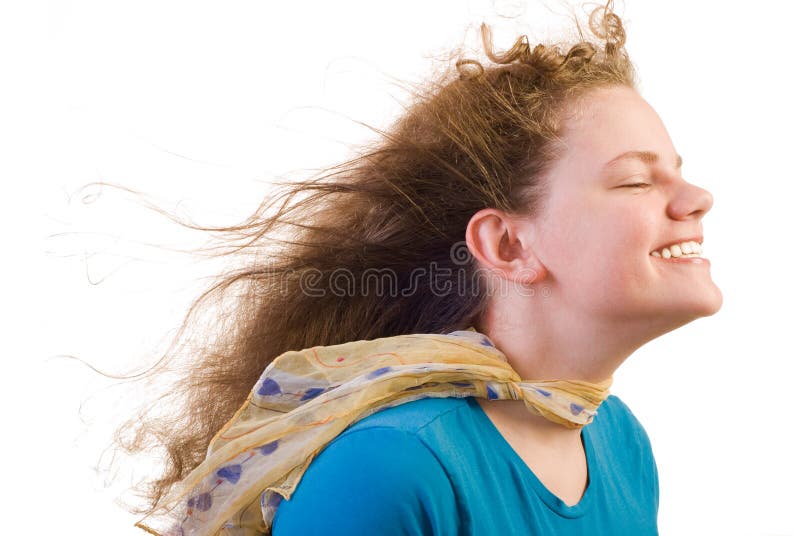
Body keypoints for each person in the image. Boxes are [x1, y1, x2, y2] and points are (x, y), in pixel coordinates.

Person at [113, 1, 722, 535]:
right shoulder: (387, 467)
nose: (697, 198)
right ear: (509, 246)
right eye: (637, 180)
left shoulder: (620, 443)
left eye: (676, 169)